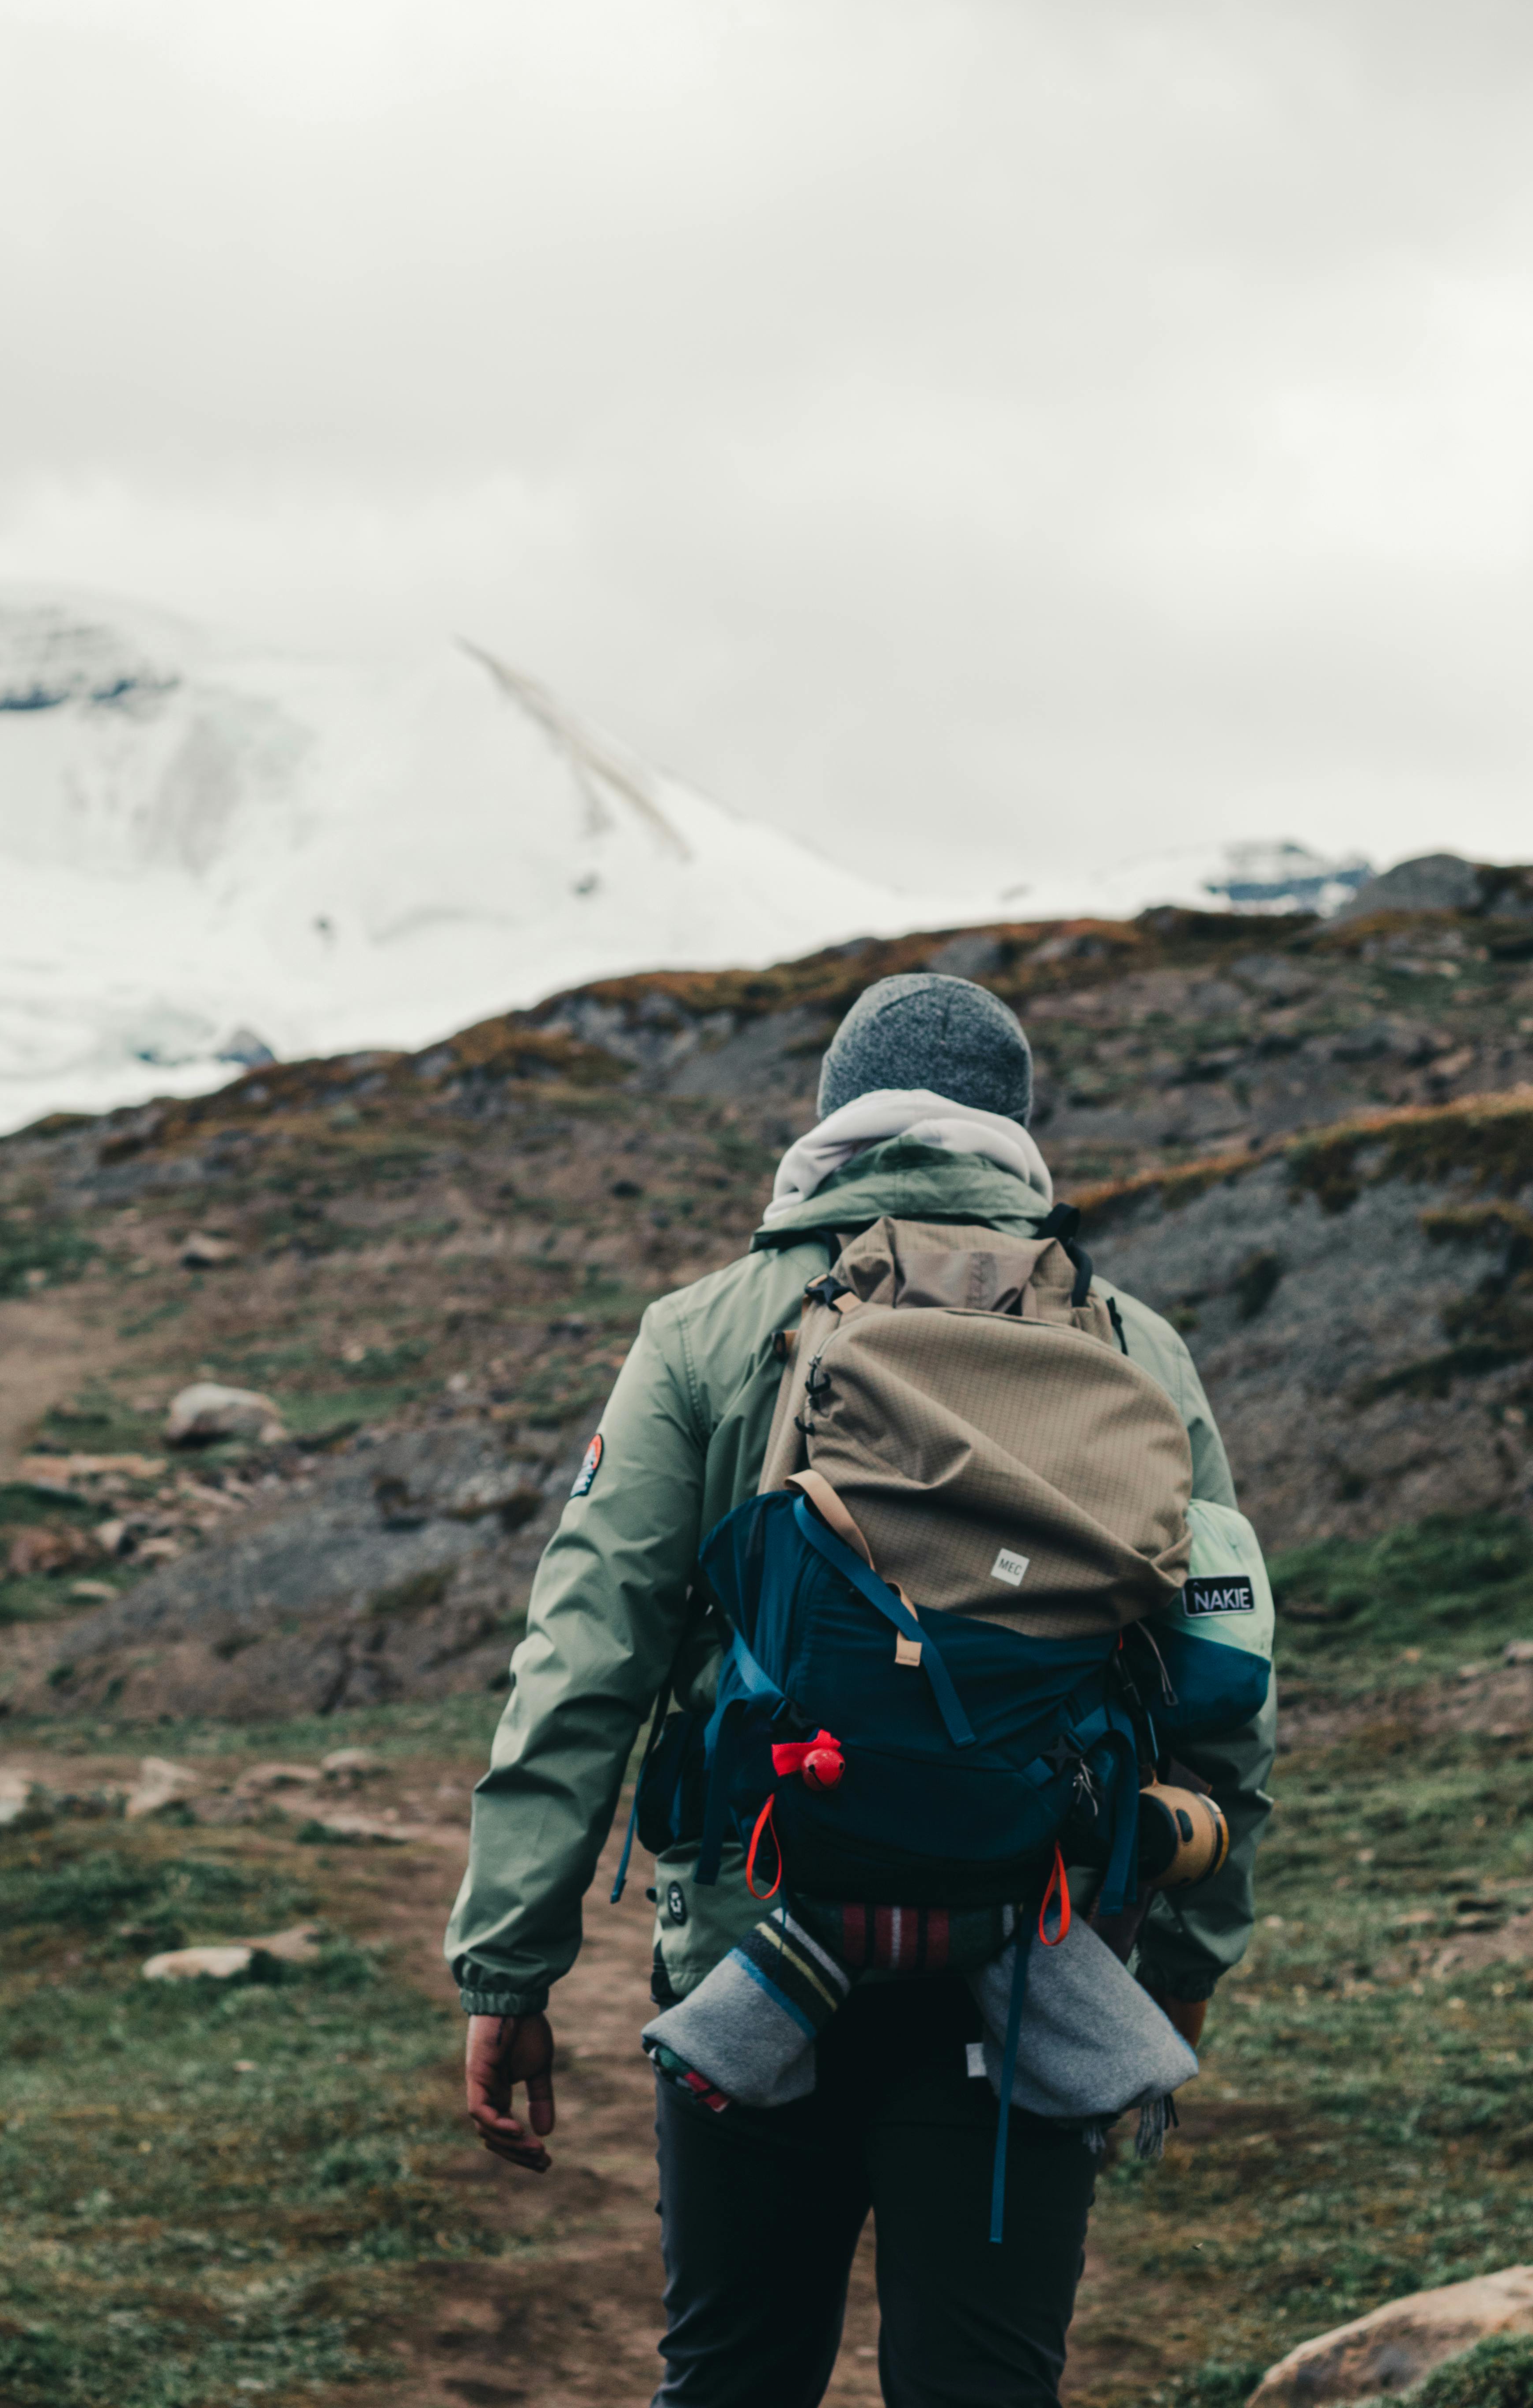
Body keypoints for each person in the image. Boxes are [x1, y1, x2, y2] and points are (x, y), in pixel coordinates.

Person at [445, 973, 1274, 2408]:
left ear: (831, 1122)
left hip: (760, 1945)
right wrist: (1187, 1963)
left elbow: (585, 1657)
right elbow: (1223, 1687)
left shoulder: (705, 1331)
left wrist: (511, 1966)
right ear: (1013, 1132)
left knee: (733, 2376)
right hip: (1037, 1957)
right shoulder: (1131, 1347)